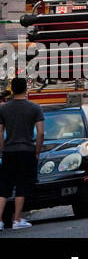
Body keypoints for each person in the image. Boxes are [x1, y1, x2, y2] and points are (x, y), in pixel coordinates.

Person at [0, 77, 45, 230]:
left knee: (4, 186)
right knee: (22, 185)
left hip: (8, 151)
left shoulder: (3, 108)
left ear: (12, 89)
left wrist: (2, 150)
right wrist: (37, 151)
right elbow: (40, 133)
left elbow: (0, 132)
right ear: (26, 89)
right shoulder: (35, 108)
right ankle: (17, 219)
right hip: (26, 150)